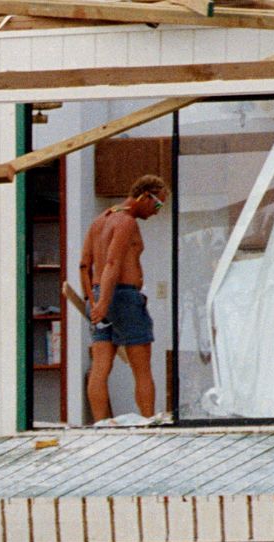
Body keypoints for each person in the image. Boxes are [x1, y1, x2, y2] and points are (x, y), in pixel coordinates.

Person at [79, 174, 170, 422]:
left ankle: (100, 424)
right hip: (122, 297)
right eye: (158, 204)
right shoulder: (126, 221)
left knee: (100, 367)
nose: (157, 211)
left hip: (99, 295)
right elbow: (112, 262)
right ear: (144, 196)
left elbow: (84, 265)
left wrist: (93, 301)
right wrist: (105, 302)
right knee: (141, 368)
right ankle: (148, 421)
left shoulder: (100, 221)